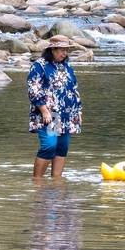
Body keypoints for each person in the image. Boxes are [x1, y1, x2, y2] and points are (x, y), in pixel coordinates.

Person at [28, 34, 82, 183]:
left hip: (66, 114)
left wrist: (78, 111)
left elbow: (73, 88)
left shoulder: (66, 66)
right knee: (50, 146)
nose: (64, 53)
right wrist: (44, 110)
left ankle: (56, 183)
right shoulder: (40, 66)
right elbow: (34, 90)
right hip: (51, 114)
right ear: (52, 50)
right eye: (61, 50)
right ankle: (37, 182)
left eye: (66, 50)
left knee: (62, 147)